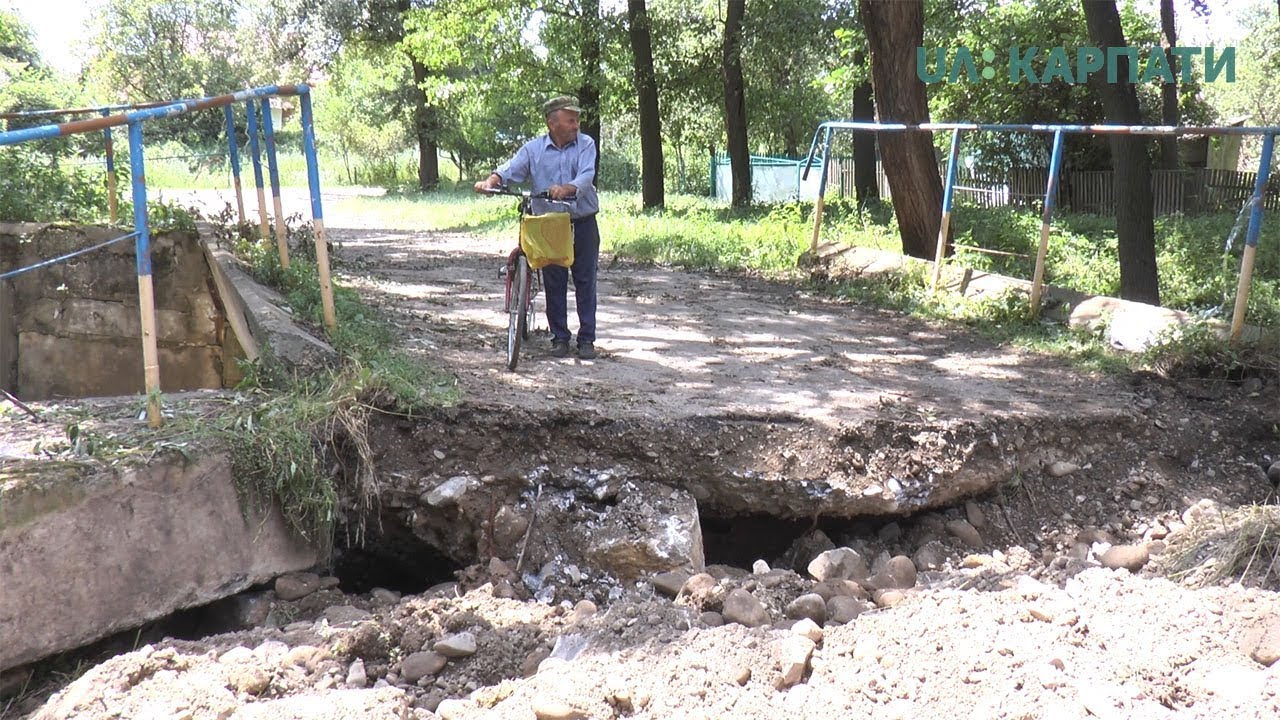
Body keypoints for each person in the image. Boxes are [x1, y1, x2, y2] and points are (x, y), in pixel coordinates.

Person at [474, 95, 601, 360]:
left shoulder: (586, 144)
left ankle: (587, 339)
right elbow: (510, 170)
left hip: (582, 221)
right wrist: (490, 182)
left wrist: (567, 188)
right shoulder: (533, 149)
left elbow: (586, 175)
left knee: (585, 280)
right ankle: (560, 338)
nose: (576, 125)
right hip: (549, 224)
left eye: (576, 120)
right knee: (554, 280)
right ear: (552, 123)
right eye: (571, 120)